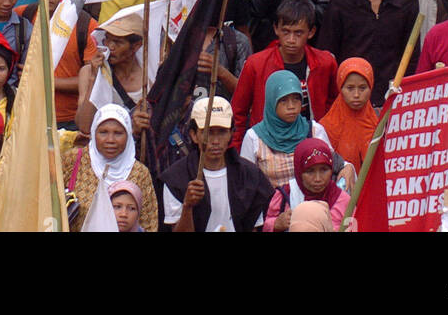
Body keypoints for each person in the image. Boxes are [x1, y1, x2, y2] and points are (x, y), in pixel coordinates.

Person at [318, 0, 420, 106]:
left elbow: (412, 53)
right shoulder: (341, 1)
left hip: (393, 97)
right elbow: (328, 54)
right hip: (350, 97)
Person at [230, 0, 339, 145]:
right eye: (286, 31)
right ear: (276, 29)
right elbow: (238, 113)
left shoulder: (325, 63)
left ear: (311, 32)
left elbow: (335, 106)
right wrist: (236, 155)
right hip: (266, 145)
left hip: (311, 145)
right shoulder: (256, 65)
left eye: (298, 33)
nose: (291, 40)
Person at [162, 96, 275, 233]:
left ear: (231, 134)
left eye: (222, 132)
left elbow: (253, 226)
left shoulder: (250, 175)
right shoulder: (176, 178)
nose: (215, 141)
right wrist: (187, 206)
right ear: (194, 135)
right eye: (208, 133)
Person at [61, 104, 158, 232]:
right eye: (103, 132)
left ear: (128, 135)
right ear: (94, 132)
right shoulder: (73, 160)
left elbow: (148, 223)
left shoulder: (139, 173)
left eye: (118, 133)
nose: (110, 140)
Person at [262, 137, 352, 231]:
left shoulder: (343, 201)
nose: (318, 179)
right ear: (299, 171)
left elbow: (356, 225)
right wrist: (276, 224)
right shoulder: (285, 196)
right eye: (310, 171)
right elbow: (263, 224)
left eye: (324, 170)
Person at [318, 58, 378, 172]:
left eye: (362, 88)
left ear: (371, 87)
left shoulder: (381, 124)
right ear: (340, 88)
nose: (356, 94)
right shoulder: (324, 128)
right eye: (350, 88)